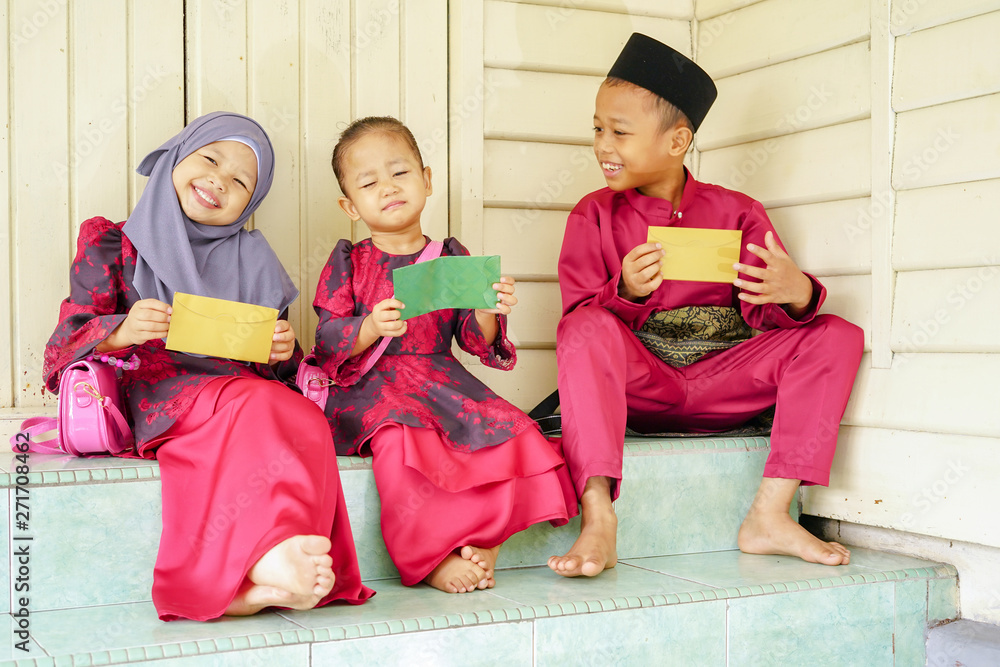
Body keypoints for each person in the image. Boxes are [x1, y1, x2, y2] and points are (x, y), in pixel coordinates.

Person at [548, 33, 865, 578]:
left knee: (837, 332)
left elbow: (766, 317)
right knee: (583, 329)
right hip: (643, 383)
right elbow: (580, 324)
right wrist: (623, 292)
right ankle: (598, 513)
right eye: (597, 128)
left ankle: (770, 513)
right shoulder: (593, 215)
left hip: (725, 381)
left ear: (677, 142)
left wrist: (797, 294)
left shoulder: (738, 212)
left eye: (620, 132)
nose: (603, 145)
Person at [42, 111, 374, 620]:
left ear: (250, 203)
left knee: (303, 415)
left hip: (237, 389)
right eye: (210, 158)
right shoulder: (114, 240)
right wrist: (125, 329)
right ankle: (273, 553)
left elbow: (278, 372)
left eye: (241, 180)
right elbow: (66, 337)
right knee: (255, 402)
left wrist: (277, 351)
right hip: (157, 389)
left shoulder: (255, 260)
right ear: (176, 155)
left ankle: (259, 579)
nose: (219, 180)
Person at [313, 116, 578, 594]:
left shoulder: (452, 256)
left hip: (440, 376)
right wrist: (370, 326)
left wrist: (485, 309)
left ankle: (488, 539)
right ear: (349, 205)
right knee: (401, 440)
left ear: (427, 180)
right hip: (373, 388)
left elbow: (474, 340)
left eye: (400, 173)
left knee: (515, 430)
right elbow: (327, 337)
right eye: (370, 182)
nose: (389, 188)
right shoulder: (349, 261)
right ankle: (430, 556)